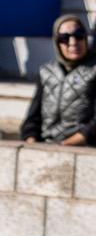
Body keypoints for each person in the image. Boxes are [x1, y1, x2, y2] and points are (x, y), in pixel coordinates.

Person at [20, 12, 96, 146]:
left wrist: (68, 144)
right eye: (65, 38)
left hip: (81, 146)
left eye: (78, 36)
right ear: (56, 42)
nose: (73, 43)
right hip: (46, 144)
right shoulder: (47, 72)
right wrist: (32, 142)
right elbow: (32, 120)